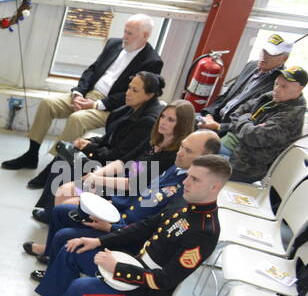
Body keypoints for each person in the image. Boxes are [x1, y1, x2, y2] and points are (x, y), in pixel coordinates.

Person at [12, 154, 229, 296]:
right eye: (188, 176)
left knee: (81, 289)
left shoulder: (204, 231)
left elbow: (166, 280)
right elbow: (144, 227)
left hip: (148, 292)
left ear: (215, 187)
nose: (186, 182)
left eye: (195, 179)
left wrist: (118, 269)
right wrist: (98, 242)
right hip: (134, 263)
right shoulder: (185, 201)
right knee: (73, 249)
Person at [25, 130, 219, 275]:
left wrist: (111, 227)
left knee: (65, 235)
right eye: (182, 146)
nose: (180, 152)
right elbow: (142, 194)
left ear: (204, 158)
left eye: (188, 150)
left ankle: (55, 274)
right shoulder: (176, 169)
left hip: (127, 236)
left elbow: (151, 226)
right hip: (120, 215)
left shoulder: (186, 190)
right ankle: (52, 258)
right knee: (61, 212)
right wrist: (112, 205)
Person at [2, 14, 162, 173]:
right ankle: (31, 154)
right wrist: (79, 93)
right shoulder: (114, 44)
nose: (124, 37)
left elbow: (133, 95)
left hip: (110, 107)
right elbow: (92, 69)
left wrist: (96, 104)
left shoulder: (152, 61)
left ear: (145, 35)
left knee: (77, 119)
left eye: (130, 33)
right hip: (88, 93)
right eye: (125, 31)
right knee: (47, 104)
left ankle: (54, 164)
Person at [29, 73, 166, 208]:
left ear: (149, 95)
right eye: (129, 87)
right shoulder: (131, 108)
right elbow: (109, 138)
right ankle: (50, 207)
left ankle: (52, 209)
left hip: (116, 169)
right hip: (109, 158)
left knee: (68, 160)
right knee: (68, 151)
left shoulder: (147, 121)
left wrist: (89, 147)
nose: (128, 93)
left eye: (134, 90)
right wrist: (89, 141)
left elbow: (119, 156)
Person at [45, 99, 193, 209]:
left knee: (69, 202)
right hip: (117, 183)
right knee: (64, 190)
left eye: (171, 120)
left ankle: (60, 228)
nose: (163, 122)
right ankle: (54, 225)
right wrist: (96, 174)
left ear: (182, 125)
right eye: (163, 116)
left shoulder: (172, 155)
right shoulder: (154, 140)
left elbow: (134, 184)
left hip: (127, 197)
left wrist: (97, 179)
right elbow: (123, 161)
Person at [222, 66, 307, 183]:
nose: (277, 89)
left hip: (245, 166)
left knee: (201, 160)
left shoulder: (292, 116)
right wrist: (248, 124)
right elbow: (236, 113)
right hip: (235, 148)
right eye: (276, 84)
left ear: (299, 89)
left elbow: (253, 137)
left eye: (284, 86)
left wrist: (245, 120)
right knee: (202, 139)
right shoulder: (270, 97)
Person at [199, 32, 291, 127]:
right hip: (215, 118)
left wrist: (218, 127)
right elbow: (227, 95)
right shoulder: (251, 66)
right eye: (264, 50)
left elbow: (254, 119)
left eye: (271, 53)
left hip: (230, 128)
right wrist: (209, 114)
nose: (264, 55)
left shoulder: (280, 83)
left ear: (284, 59)